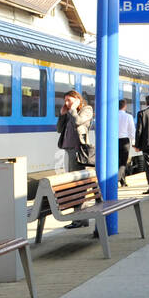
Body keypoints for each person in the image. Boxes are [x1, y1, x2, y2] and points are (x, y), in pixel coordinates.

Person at [56, 90, 93, 229]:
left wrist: (72, 109)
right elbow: (59, 129)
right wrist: (62, 115)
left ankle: (80, 219)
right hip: (69, 149)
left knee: (77, 186)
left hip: (78, 151)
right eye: (65, 100)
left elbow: (78, 122)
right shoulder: (69, 112)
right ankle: (80, 219)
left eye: (69, 100)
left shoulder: (86, 110)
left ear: (77, 100)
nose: (66, 103)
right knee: (75, 185)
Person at [117, 98, 135, 187]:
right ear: (125, 106)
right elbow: (132, 130)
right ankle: (117, 179)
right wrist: (134, 141)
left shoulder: (112, 115)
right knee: (123, 162)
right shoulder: (128, 116)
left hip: (114, 141)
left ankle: (123, 182)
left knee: (117, 162)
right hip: (124, 141)